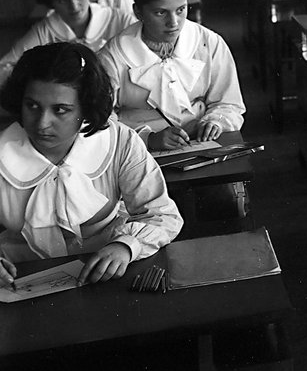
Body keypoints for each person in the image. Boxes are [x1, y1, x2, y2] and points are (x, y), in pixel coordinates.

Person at [0, 43, 183, 281]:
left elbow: (162, 215)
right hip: (20, 272)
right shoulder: (4, 151)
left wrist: (126, 246)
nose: (42, 123)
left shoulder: (120, 142)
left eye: (61, 110)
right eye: (32, 106)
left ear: (86, 108)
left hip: (107, 269)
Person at [98, 0, 245, 151]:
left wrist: (215, 122)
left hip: (203, 141)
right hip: (138, 149)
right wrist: (148, 139)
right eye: (160, 13)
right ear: (138, 12)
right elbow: (101, 120)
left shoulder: (208, 42)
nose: (173, 23)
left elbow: (228, 102)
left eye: (181, 10)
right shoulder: (112, 56)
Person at [0, 0, 134, 86]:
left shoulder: (121, 20)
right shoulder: (45, 30)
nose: (74, 6)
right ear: (51, 3)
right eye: (62, 1)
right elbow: (5, 68)